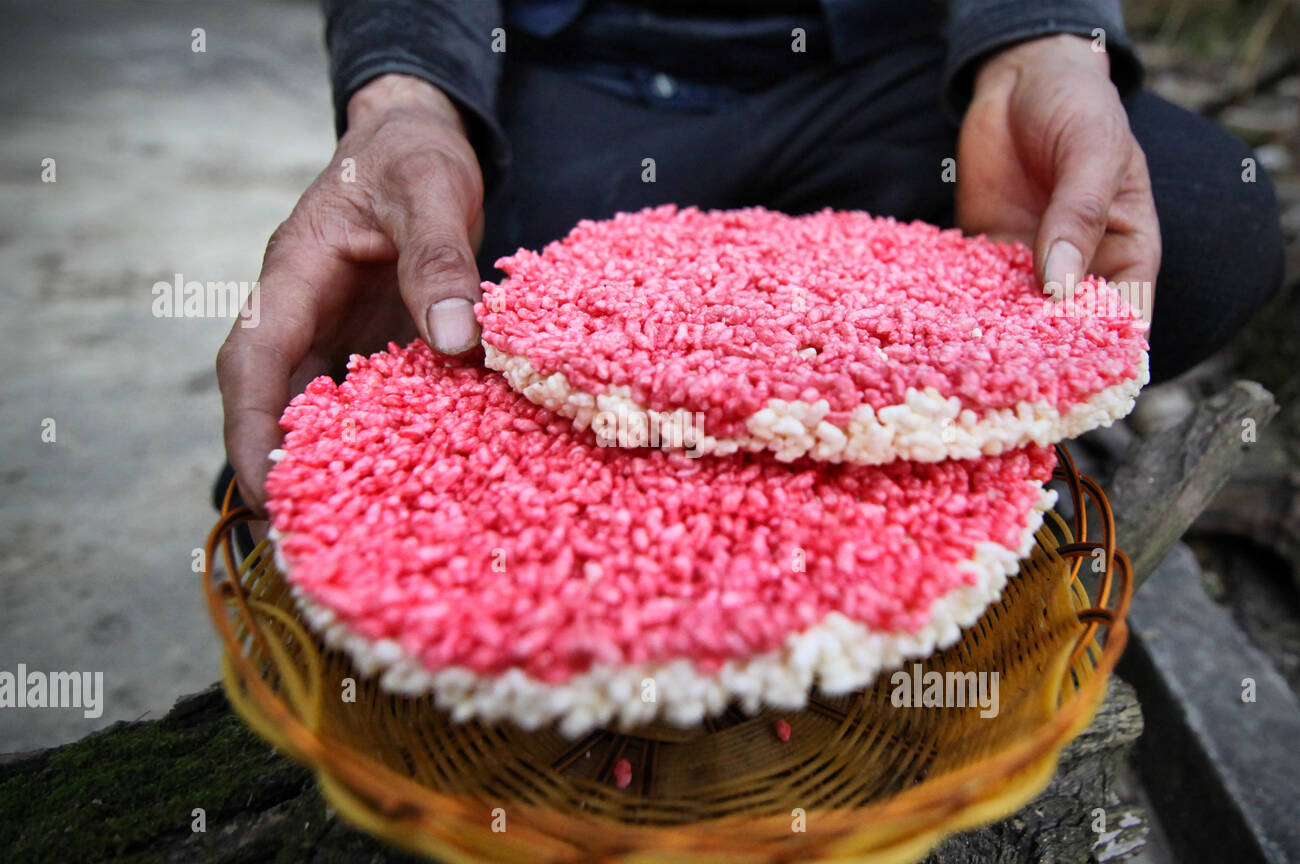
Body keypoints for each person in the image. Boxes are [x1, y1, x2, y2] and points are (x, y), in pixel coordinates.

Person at [216, 0, 1286, 518]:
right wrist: (406, 98)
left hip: (875, 69)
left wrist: (1039, 39)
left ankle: (937, 452)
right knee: (380, 368)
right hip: (571, 80)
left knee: (1187, 222)